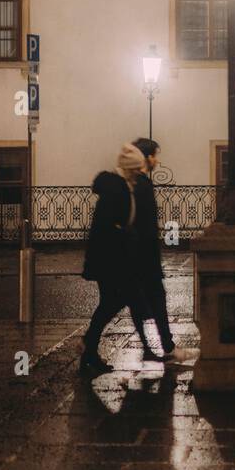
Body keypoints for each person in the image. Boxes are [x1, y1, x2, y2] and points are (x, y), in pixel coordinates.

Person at [80, 144, 160, 376]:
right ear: (127, 170)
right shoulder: (118, 191)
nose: (138, 175)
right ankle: (88, 347)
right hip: (111, 261)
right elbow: (108, 228)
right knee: (113, 303)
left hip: (114, 259)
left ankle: (89, 352)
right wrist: (126, 234)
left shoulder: (122, 187)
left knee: (118, 302)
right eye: (135, 171)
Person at [131, 137, 191, 364]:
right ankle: (167, 346)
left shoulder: (135, 183)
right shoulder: (142, 185)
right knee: (156, 299)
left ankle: (153, 346)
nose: (157, 160)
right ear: (146, 158)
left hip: (136, 254)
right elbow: (144, 225)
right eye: (155, 155)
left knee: (129, 302)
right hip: (144, 256)